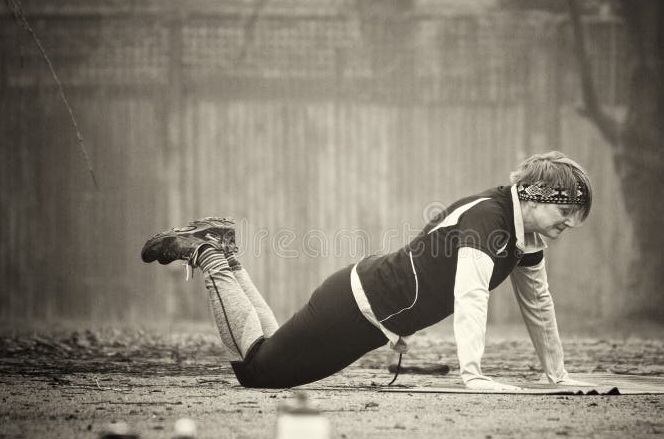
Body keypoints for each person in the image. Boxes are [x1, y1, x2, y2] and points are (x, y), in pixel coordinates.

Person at [142, 151, 593, 390]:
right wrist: (472, 373)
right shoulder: (487, 217)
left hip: (365, 317)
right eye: (566, 212)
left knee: (268, 356)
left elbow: (538, 305)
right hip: (354, 304)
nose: (570, 224)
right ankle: (206, 254)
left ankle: (223, 250)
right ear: (536, 195)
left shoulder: (525, 238)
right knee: (259, 371)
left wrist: (559, 375)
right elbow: (470, 296)